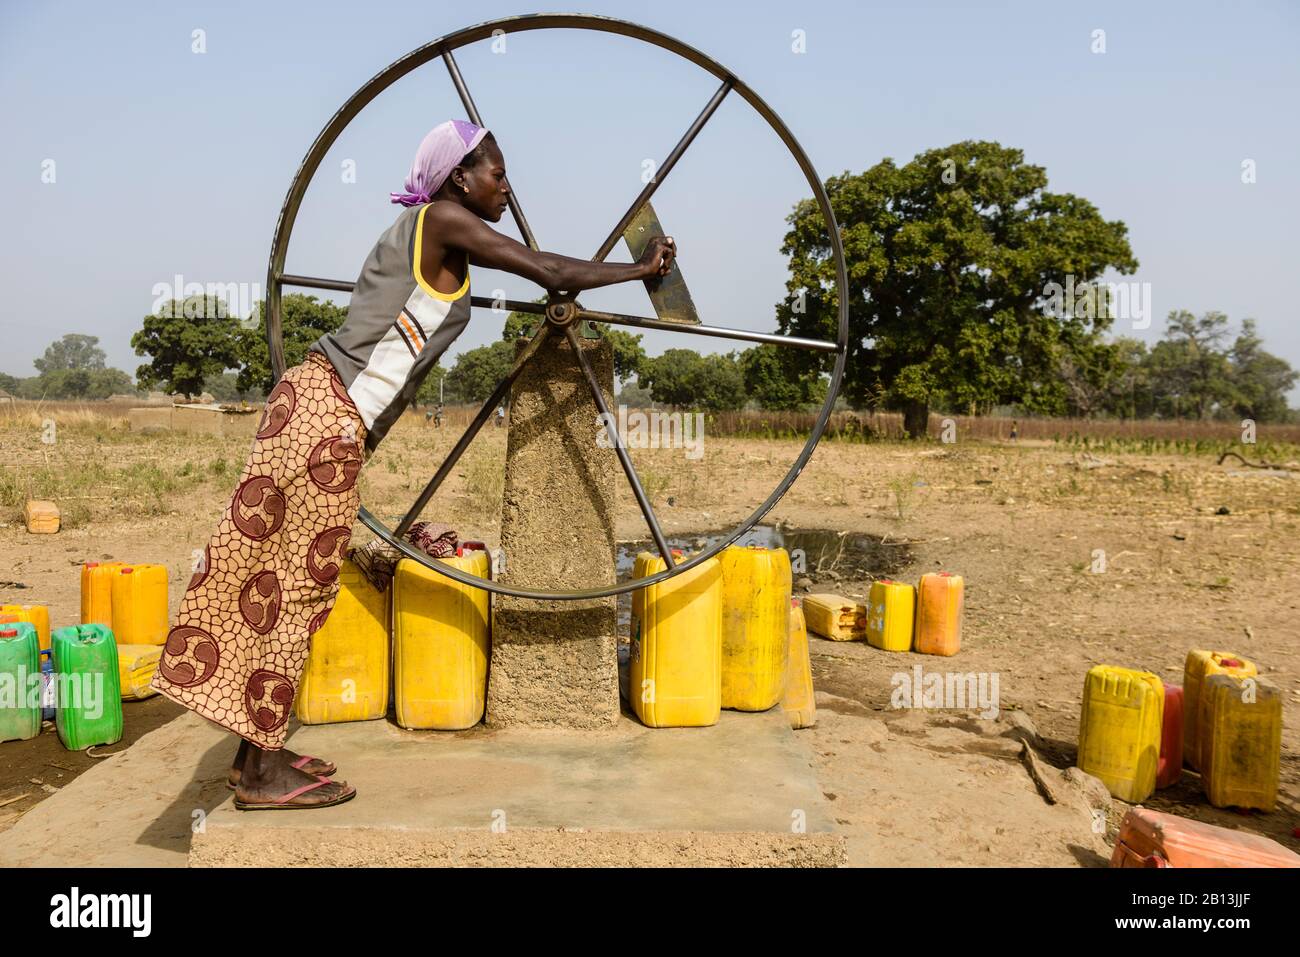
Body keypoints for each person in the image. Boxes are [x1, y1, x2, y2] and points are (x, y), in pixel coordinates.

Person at [150, 119, 676, 810]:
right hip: (326, 419)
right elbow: (548, 271)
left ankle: (256, 754)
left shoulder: (426, 229)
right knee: (297, 589)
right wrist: (639, 272)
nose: (506, 185)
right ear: (461, 177)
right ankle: (263, 773)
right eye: (497, 172)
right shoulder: (446, 222)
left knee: (274, 576)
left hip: (309, 406)